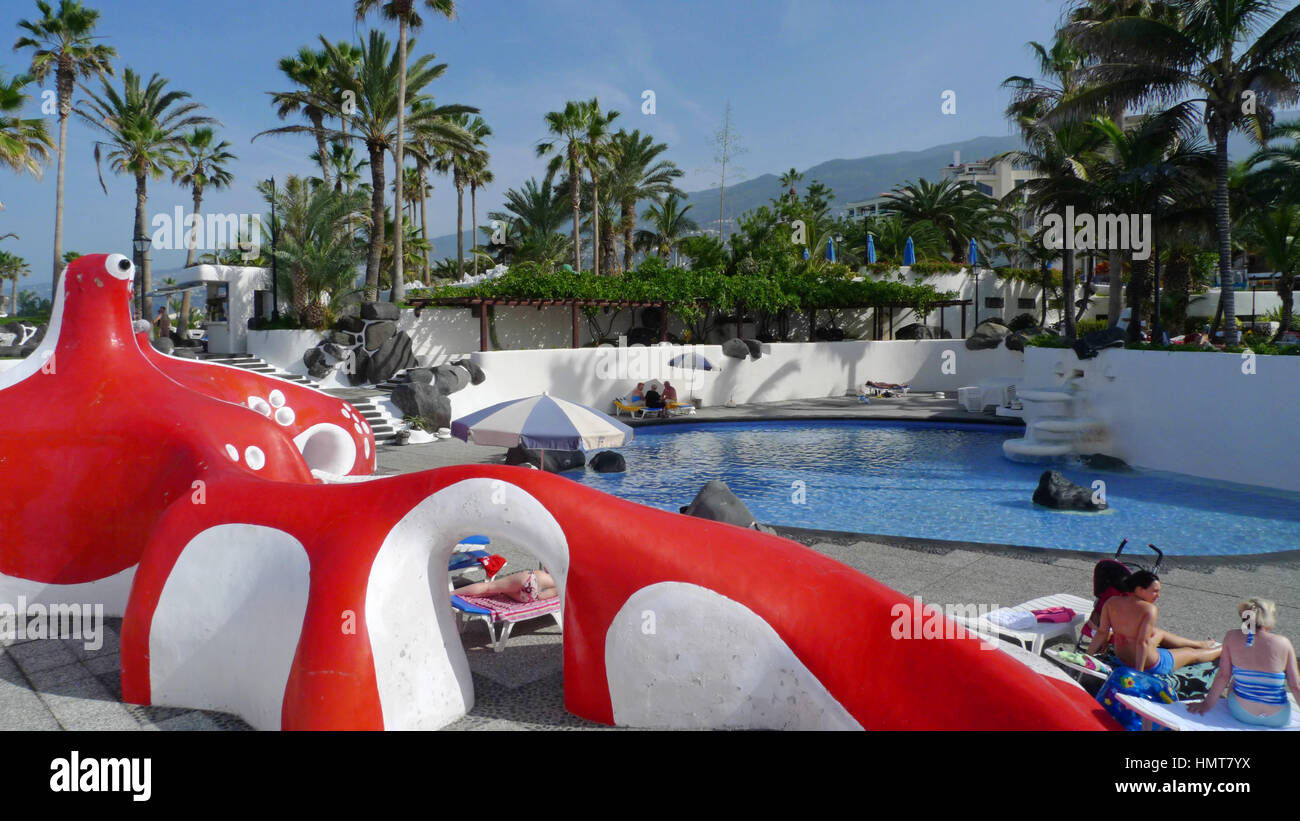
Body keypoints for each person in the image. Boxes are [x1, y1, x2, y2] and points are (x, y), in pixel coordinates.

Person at [1188, 598, 1300, 727]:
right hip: (1278, 717)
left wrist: (1206, 704)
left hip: (1242, 713)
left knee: (1236, 678)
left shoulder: (1231, 637)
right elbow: (1295, 686)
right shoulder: (1283, 643)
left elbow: (1223, 676)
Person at [1086, 570, 1221, 675]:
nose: (1158, 595)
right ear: (1139, 589)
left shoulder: (1111, 602)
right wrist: (1138, 673)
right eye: (1155, 591)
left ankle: (1200, 644)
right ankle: (1222, 648)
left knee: (1158, 632)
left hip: (1122, 658)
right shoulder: (1149, 609)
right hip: (1150, 664)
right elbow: (1142, 643)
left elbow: (1102, 632)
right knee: (1191, 654)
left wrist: (1086, 657)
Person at [454, 569, 558, 603]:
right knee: (500, 591)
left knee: (489, 586)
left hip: (531, 578)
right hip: (529, 596)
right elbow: (541, 596)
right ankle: (472, 596)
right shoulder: (560, 587)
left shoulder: (553, 571)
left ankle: (452, 593)